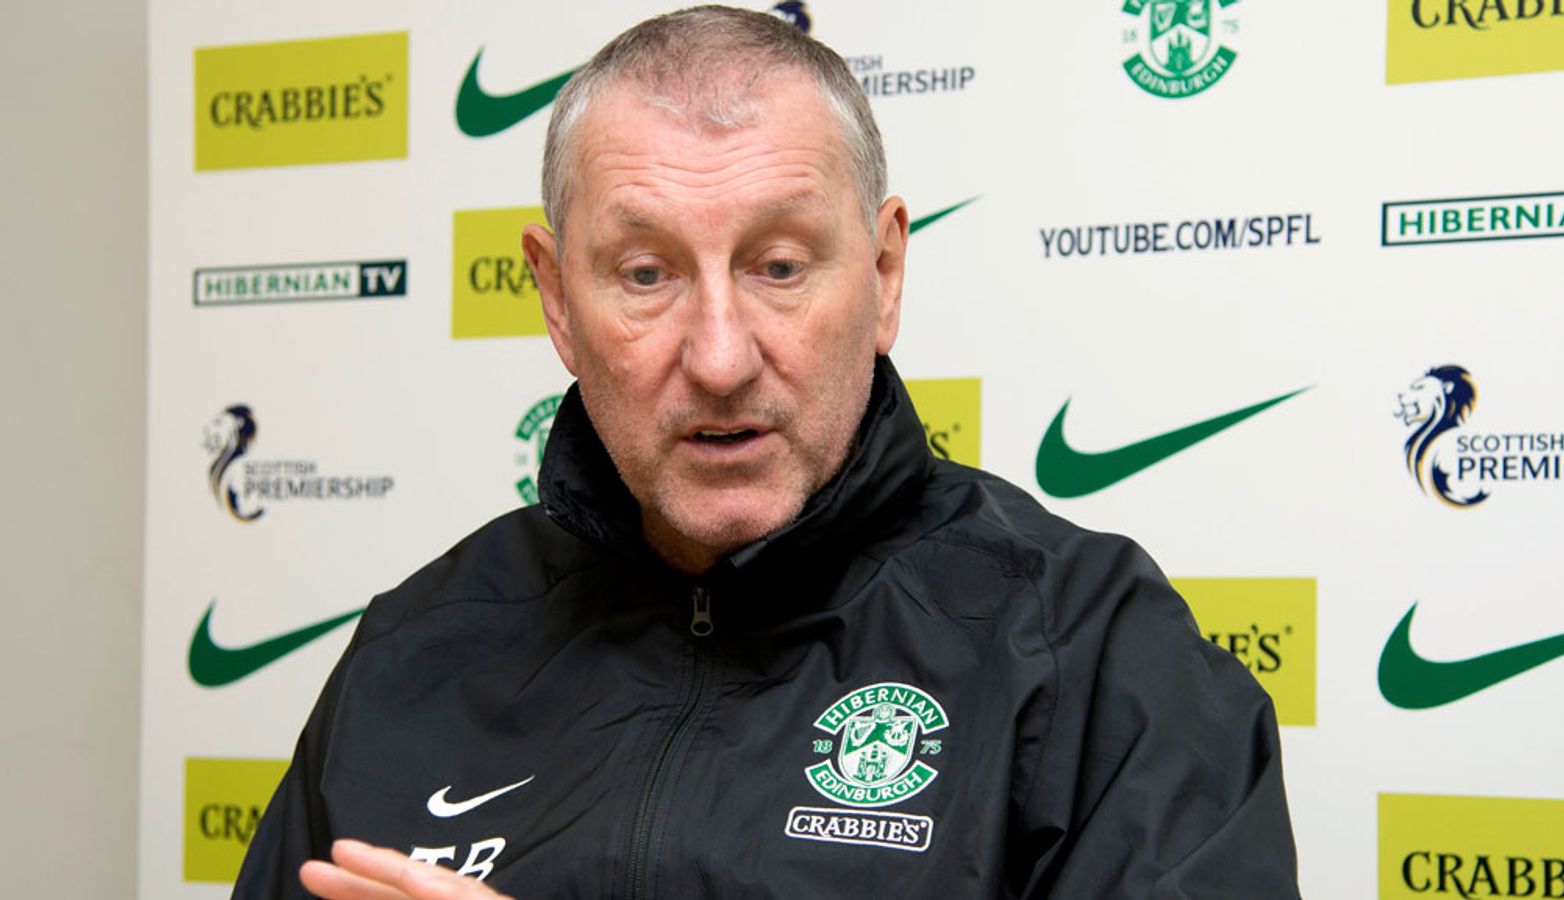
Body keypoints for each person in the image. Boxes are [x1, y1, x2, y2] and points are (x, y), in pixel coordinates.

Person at [234, 6, 1301, 899]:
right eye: (646, 274)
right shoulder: (416, 650)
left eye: (779, 266)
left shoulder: (1093, 653)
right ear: (557, 300)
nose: (719, 356)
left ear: (882, 274)